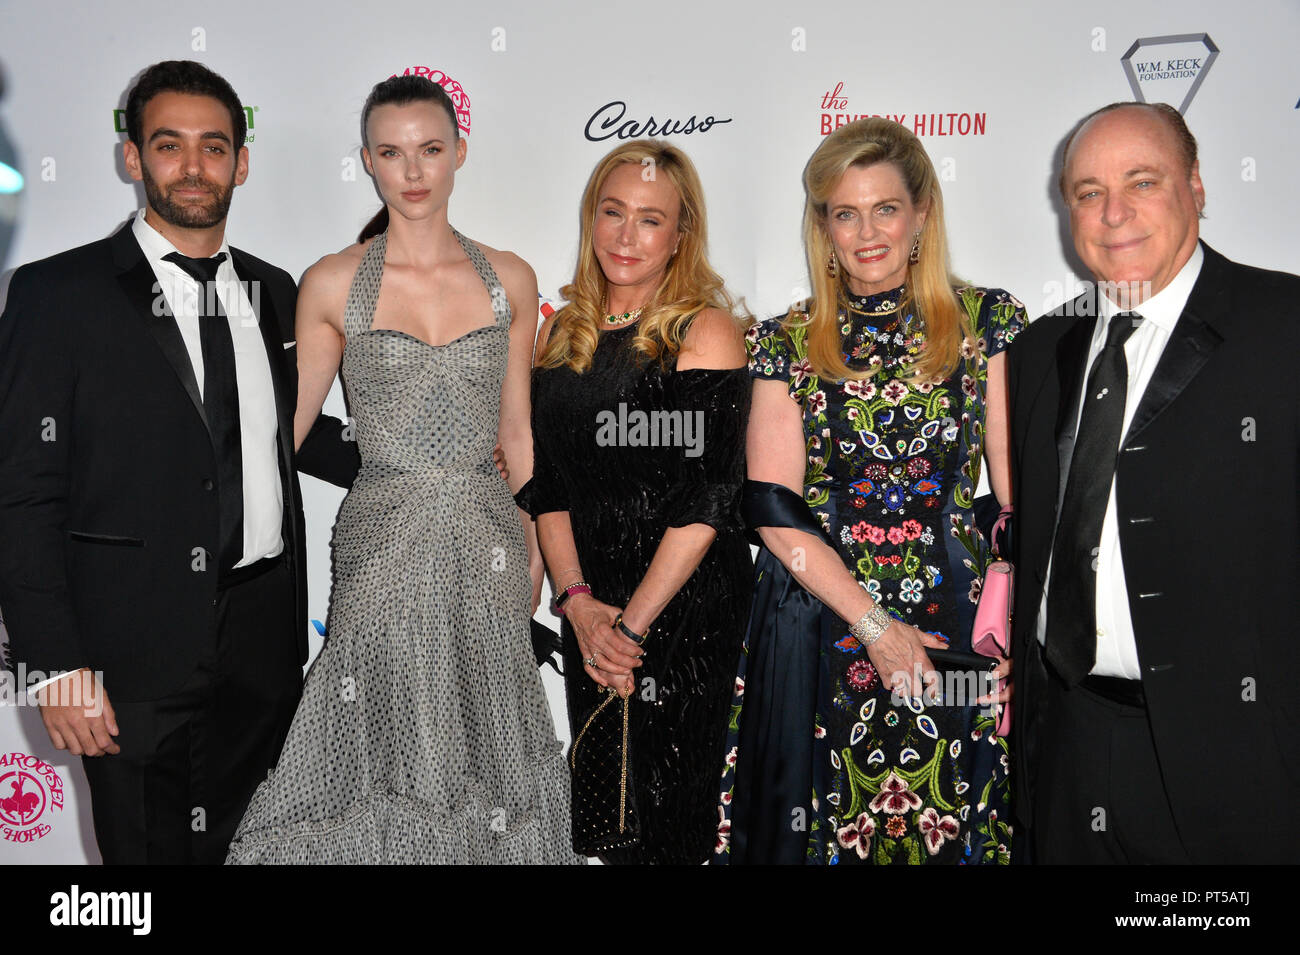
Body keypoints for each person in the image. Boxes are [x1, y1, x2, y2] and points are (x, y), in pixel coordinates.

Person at [0, 60, 358, 864]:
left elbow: (285, 435)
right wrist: (52, 663)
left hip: (264, 648)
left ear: (241, 160)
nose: (193, 167)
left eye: (214, 147)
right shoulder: (57, 294)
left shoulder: (273, 289)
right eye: (169, 145)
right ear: (133, 158)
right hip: (130, 652)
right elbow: (20, 495)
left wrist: (437, 463)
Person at [225, 74, 580, 864]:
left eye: (428, 150)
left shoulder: (510, 279)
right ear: (368, 163)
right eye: (392, 153)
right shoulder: (333, 280)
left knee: (487, 737)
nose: (413, 171)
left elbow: (519, 437)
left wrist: (539, 559)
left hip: (487, 537)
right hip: (382, 535)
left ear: (459, 153)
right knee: (372, 723)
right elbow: (287, 431)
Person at [717, 118, 1021, 865]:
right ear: (822, 226)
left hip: (958, 631)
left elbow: (1014, 501)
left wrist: (1018, 634)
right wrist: (876, 625)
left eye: (885, 207)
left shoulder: (984, 324)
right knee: (827, 830)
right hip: (825, 618)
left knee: (954, 815)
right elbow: (772, 505)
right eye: (844, 212)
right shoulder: (787, 341)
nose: (866, 231)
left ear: (921, 213)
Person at [1008, 102, 1300, 865]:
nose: (1113, 214)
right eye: (1086, 191)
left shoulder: (1286, 326)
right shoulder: (1039, 351)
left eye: (1143, 181)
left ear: (1197, 185)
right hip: (1071, 750)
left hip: (1244, 766)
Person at [523, 139, 752, 864]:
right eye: (612, 212)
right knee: (613, 824)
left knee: (673, 825)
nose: (626, 235)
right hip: (591, 617)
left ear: (681, 235)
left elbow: (707, 499)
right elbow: (550, 486)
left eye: (650, 220)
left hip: (683, 617)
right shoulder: (562, 331)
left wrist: (630, 629)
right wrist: (579, 603)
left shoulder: (702, 331)